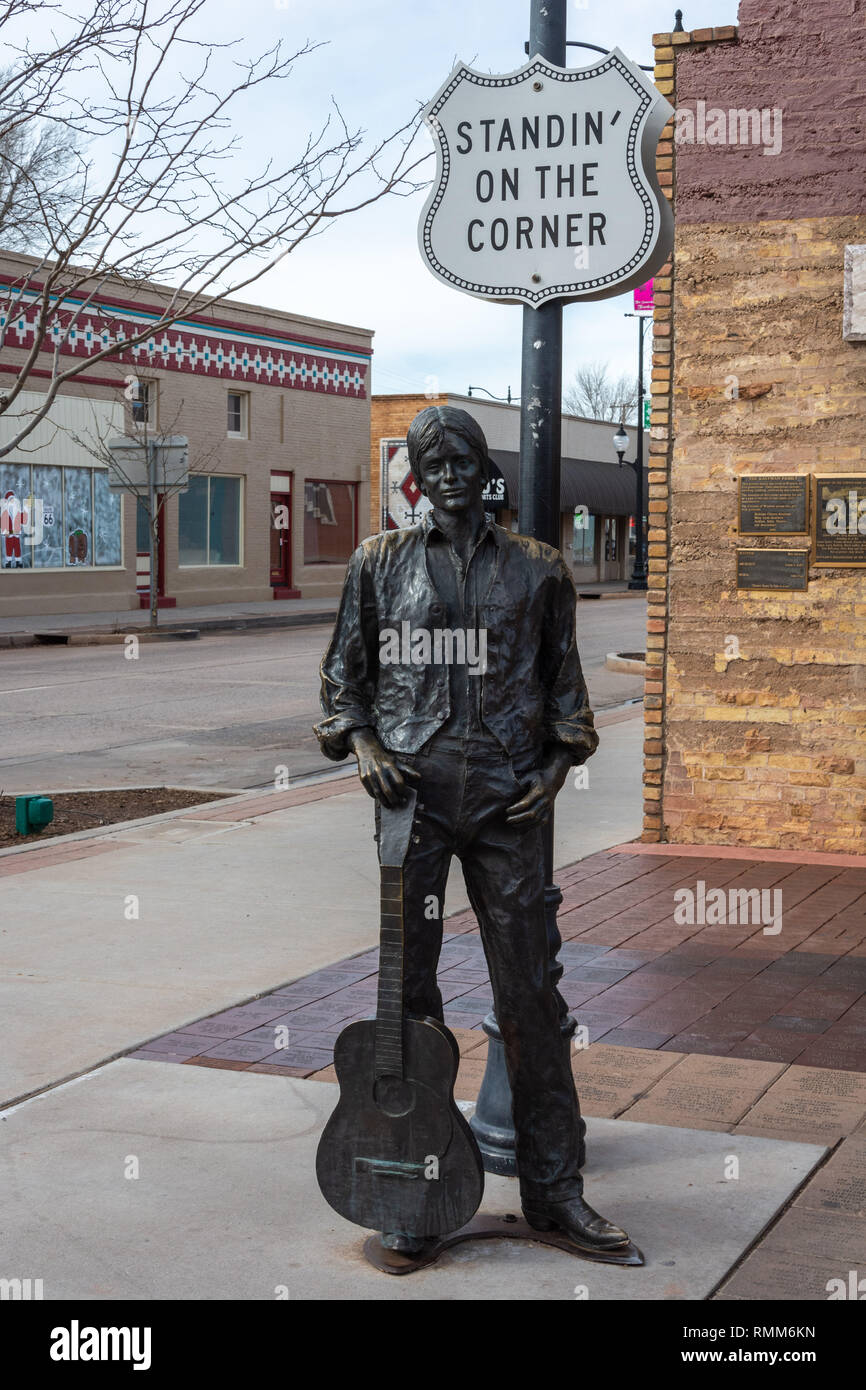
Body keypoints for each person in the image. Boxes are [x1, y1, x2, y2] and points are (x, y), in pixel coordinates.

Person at [314, 405, 629, 1255]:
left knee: (531, 997)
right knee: (408, 1004)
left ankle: (556, 1193)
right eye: (432, 462)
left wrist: (554, 775)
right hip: (412, 803)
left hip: (506, 804)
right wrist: (367, 748)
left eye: (461, 460)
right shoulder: (378, 563)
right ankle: (414, 1193)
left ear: (481, 468)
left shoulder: (539, 568)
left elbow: (569, 698)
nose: (448, 474)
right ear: (416, 475)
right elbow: (343, 686)